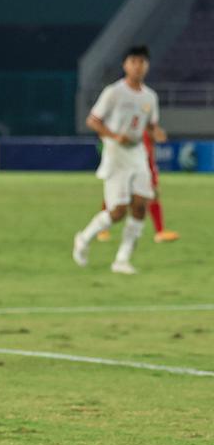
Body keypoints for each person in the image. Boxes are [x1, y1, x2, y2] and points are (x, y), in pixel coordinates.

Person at [73, 45, 163, 274]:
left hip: (137, 153)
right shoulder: (113, 92)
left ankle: (122, 260)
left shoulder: (150, 97)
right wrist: (114, 136)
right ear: (125, 65)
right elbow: (93, 120)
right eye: (134, 61)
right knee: (118, 211)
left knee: (141, 206)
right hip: (116, 154)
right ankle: (83, 238)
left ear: (147, 66)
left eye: (142, 62)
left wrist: (156, 133)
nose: (138, 66)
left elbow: (150, 126)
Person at [95, 120, 178, 243]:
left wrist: (156, 133)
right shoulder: (127, 124)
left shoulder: (145, 124)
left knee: (152, 194)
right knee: (115, 197)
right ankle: (102, 230)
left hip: (144, 163)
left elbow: (157, 136)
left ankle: (160, 232)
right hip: (127, 163)